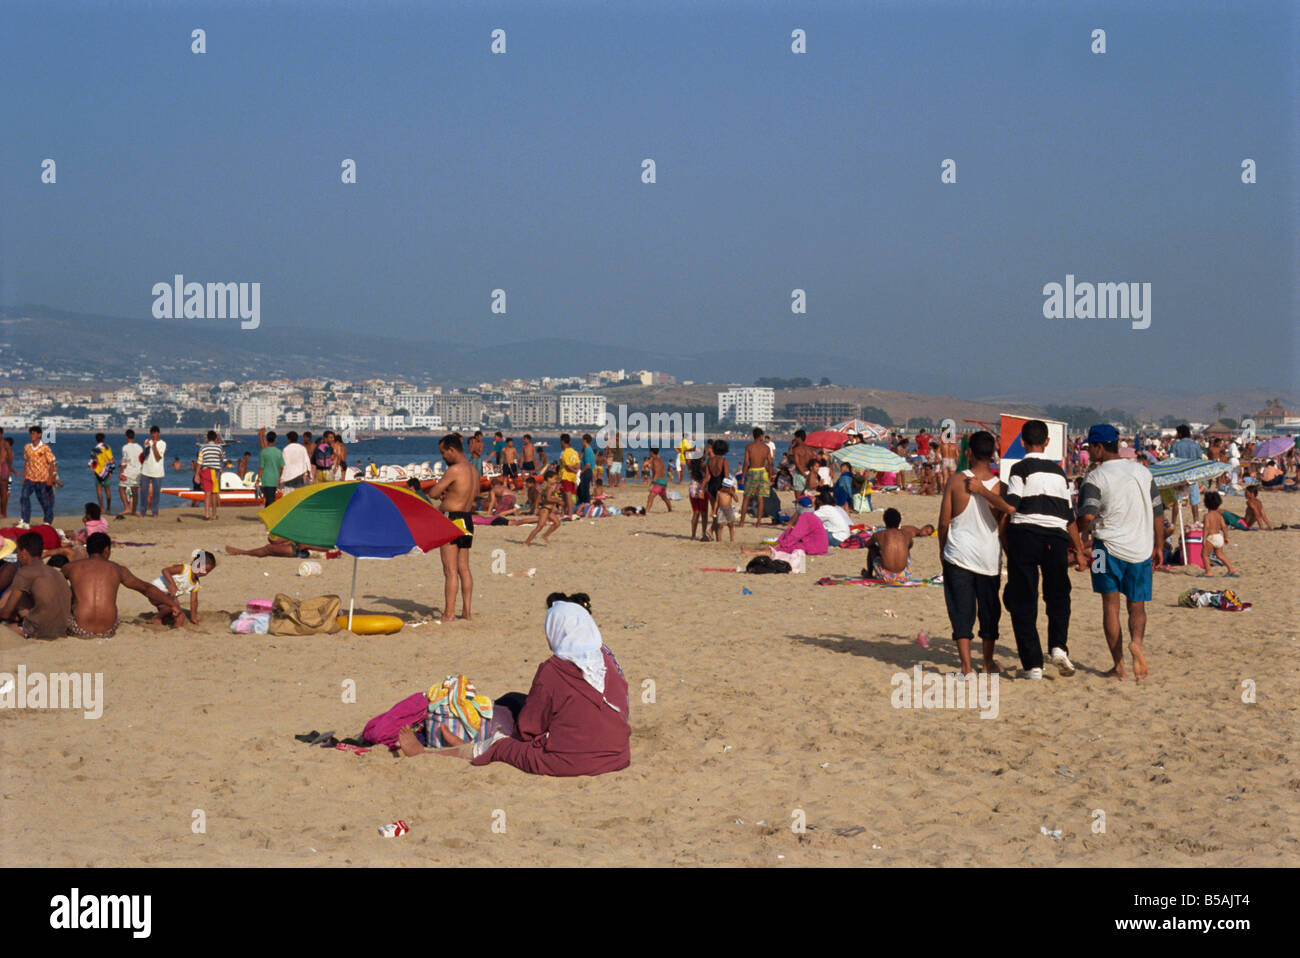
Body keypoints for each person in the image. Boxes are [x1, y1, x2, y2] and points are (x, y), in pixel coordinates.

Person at [467, 594, 631, 777]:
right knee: (518, 699)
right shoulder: (607, 658)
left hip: (571, 762)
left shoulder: (553, 670)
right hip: (619, 755)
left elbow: (528, 729)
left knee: (503, 746)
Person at [996, 419, 1086, 679]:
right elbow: (1068, 516)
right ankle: (1058, 646)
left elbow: (1011, 506)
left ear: (1022, 442)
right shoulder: (1059, 473)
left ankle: (1033, 664)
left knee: (1024, 599)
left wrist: (987, 495)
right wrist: (1078, 550)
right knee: (1058, 594)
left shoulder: (1020, 468)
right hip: (1056, 540)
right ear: (1047, 442)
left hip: (1025, 535)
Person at [1075, 424, 1163, 681]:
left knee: (1110, 606)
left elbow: (1088, 514)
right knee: (1137, 605)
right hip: (1141, 548)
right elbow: (1158, 511)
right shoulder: (1143, 472)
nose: (1089, 451)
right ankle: (1136, 642)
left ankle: (1119, 666)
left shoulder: (1095, 477)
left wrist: (1079, 535)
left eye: (1090, 446)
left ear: (1099, 447)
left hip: (1104, 549)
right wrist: (1158, 545)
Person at [937, 430, 1004, 675]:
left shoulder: (956, 481)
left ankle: (966, 666)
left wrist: (942, 551)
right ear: (993, 455)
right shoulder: (1000, 487)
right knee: (989, 612)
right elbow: (1003, 526)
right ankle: (987, 662)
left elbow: (944, 522)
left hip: (958, 555)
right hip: (988, 558)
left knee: (961, 611)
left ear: (969, 453)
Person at [63, 532, 179, 638]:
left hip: (79, 629)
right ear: (106, 550)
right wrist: (172, 604)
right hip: (108, 630)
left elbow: (53, 585)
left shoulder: (71, 567)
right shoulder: (117, 569)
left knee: (71, 589)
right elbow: (146, 589)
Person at [426, 434, 476, 622]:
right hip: (467, 519)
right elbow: (474, 494)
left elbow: (433, 492)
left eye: (443, 452)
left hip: (452, 519)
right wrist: (453, 493)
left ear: (452, 450)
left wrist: (443, 493)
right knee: (464, 568)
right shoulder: (472, 469)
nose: (442, 457)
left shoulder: (454, 470)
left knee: (450, 570)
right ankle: (467, 611)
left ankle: (449, 613)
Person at [0, 532, 72, 638]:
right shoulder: (55, 572)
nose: (17, 557)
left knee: (6, 631)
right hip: (63, 628)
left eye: (18, 552)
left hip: (42, 631)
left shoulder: (24, 572)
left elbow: (5, 613)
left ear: (23, 552)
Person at [864, 508, 932, 584]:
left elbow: (867, 544)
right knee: (907, 548)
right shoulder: (907, 534)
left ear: (885, 521)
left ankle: (869, 574)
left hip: (885, 576)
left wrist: (881, 548)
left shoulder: (879, 534)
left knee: (872, 548)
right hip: (904, 575)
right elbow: (910, 546)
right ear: (899, 521)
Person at [150, 549, 216, 626]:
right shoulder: (184, 569)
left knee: (181, 617)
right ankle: (157, 617)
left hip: (169, 597)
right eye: (203, 569)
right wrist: (172, 584)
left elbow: (194, 602)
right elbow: (165, 570)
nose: (204, 572)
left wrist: (193, 618)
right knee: (173, 605)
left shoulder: (196, 584)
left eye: (207, 571)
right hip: (155, 589)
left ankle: (174, 632)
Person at [20, 425, 59, 528]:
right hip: (30, 477)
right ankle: (25, 521)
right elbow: (27, 461)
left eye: (34, 433)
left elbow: (51, 463)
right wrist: (24, 475)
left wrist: (50, 478)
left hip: (42, 479)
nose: (32, 435)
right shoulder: (27, 447)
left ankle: (47, 520)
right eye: (31, 433)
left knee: (44, 501)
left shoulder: (45, 448)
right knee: (24, 497)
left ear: (39, 434)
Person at [738, 427, 774, 527]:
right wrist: (770, 476)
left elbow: (746, 462)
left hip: (752, 471)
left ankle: (742, 522)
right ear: (761, 436)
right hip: (762, 472)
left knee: (746, 498)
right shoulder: (766, 448)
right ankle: (758, 522)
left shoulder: (749, 447)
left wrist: (743, 476)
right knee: (760, 499)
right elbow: (770, 463)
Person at [1168, 425, 1204, 521]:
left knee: (1177, 500)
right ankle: (1196, 521)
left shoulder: (1175, 445)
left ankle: (1173, 521)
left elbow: (1171, 460)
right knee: (1194, 501)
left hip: (1179, 476)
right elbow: (1199, 461)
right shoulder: (1195, 445)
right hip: (1192, 475)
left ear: (1180, 433)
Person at [1199, 491, 1240, 576]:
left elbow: (1206, 527)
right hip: (1219, 537)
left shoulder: (1207, 516)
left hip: (1211, 537)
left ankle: (1208, 571)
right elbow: (1224, 527)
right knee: (1220, 555)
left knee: (1204, 555)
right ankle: (1231, 569)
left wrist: (1203, 539)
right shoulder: (1219, 516)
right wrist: (1226, 537)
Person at [522, 468, 563, 546]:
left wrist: (537, 507)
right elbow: (548, 498)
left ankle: (545, 535)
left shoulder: (546, 486)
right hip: (545, 510)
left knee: (557, 523)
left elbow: (540, 496)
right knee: (539, 527)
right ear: (549, 479)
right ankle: (527, 542)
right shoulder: (549, 487)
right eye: (554, 479)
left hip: (549, 510)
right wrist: (558, 501)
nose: (556, 481)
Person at [139, 425, 167, 517]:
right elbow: (144, 455)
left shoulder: (163, 443)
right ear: (150, 434)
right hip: (145, 470)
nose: (154, 435)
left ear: (159, 433)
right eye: (152, 433)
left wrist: (154, 446)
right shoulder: (147, 442)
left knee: (156, 493)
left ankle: (155, 511)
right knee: (143, 492)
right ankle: (143, 511)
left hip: (157, 471)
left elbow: (158, 457)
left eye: (156, 433)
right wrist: (147, 447)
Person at [197, 430, 225, 521]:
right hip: (215, 472)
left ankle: (206, 514)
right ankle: (214, 515)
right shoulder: (219, 448)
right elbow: (222, 458)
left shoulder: (203, 448)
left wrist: (197, 474)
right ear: (215, 438)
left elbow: (199, 462)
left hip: (206, 471)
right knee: (214, 493)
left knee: (207, 494)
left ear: (207, 438)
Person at [225, 535, 329, 558]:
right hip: (298, 545)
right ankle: (243, 552)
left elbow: (306, 544)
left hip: (298, 549)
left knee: (268, 548)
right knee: (272, 539)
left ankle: (242, 552)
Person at [88, 433, 115, 514]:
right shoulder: (107, 447)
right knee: (107, 490)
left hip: (98, 472)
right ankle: (108, 508)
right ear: (103, 439)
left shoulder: (94, 449)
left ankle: (102, 509)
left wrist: (94, 470)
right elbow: (111, 459)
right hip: (107, 472)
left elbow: (92, 463)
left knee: (99, 491)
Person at [118, 429, 143, 517]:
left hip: (128, 472)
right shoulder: (139, 447)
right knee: (135, 492)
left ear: (126, 437)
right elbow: (141, 459)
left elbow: (124, 462)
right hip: (137, 472)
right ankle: (134, 510)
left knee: (121, 488)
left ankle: (127, 508)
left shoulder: (125, 447)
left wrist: (120, 472)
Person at [256, 429, 284, 505]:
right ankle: (269, 515)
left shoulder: (264, 452)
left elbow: (261, 467)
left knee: (269, 498)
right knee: (270, 498)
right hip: (274, 478)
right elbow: (282, 467)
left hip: (266, 478)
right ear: (275, 439)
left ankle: (268, 514)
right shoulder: (278, 452)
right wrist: (279, 478)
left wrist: (258, 479)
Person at [687, 456, 710, 541]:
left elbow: (687, 454)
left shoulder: (690, 466)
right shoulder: (704, 467)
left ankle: (693, 535)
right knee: (704, 514)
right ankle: (704, 534)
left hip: (692, 489)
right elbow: (707, 476)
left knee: (695, 513)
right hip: (702, 490)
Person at [558, 433, 580, 518]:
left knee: (568, 496)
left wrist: (573, 470)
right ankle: (564, 513)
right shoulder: (574, 452)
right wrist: (575, 470)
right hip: (572, 477)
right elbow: (578, 465)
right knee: (564, 496)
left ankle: (570, 514)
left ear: (563, 442)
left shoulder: (565, 453)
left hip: (566, 476)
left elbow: (567, 466)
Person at [644, 447, 671, 514]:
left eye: (649, 451)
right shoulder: (659, 460)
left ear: (651, 452)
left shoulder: (655, 461)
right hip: (663, 481)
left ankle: (646, 511)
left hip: (658, 481)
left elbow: (657, 472)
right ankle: (670, 509)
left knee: (651, 496)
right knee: (664, 498)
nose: (648, 452)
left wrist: (653, 482)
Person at [712, 476, 737, 541]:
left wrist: (733, 493)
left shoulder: (730, 493)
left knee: (730, 524)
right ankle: (719, 539)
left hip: (729, 509)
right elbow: (716, 502)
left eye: (727, 488)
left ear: (730, 487)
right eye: (724, 487)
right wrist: (714, 511)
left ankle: (732, 539)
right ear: (722, 486)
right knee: (720, 525)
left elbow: (736, 500)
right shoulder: (719, 492)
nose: (726, 489)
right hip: (721, 509)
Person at [577, 433, 597, 506]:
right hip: (587, 471)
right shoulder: (587, 449)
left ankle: (584, 504)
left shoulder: (587, 450)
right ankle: (584, 504)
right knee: (584, 489)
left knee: (583, 490)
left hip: (586, 472)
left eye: (582, 440)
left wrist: (581, 472)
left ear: (585, 440)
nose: (581, 441)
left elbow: (588, 464)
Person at [0, 433, 12, 518]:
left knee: (4, 493)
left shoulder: (5, 444)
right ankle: (2, 513)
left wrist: (9, 470)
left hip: (3, 469)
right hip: (4, 469)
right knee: (3, 493)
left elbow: (10, 457)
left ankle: (4, 513)